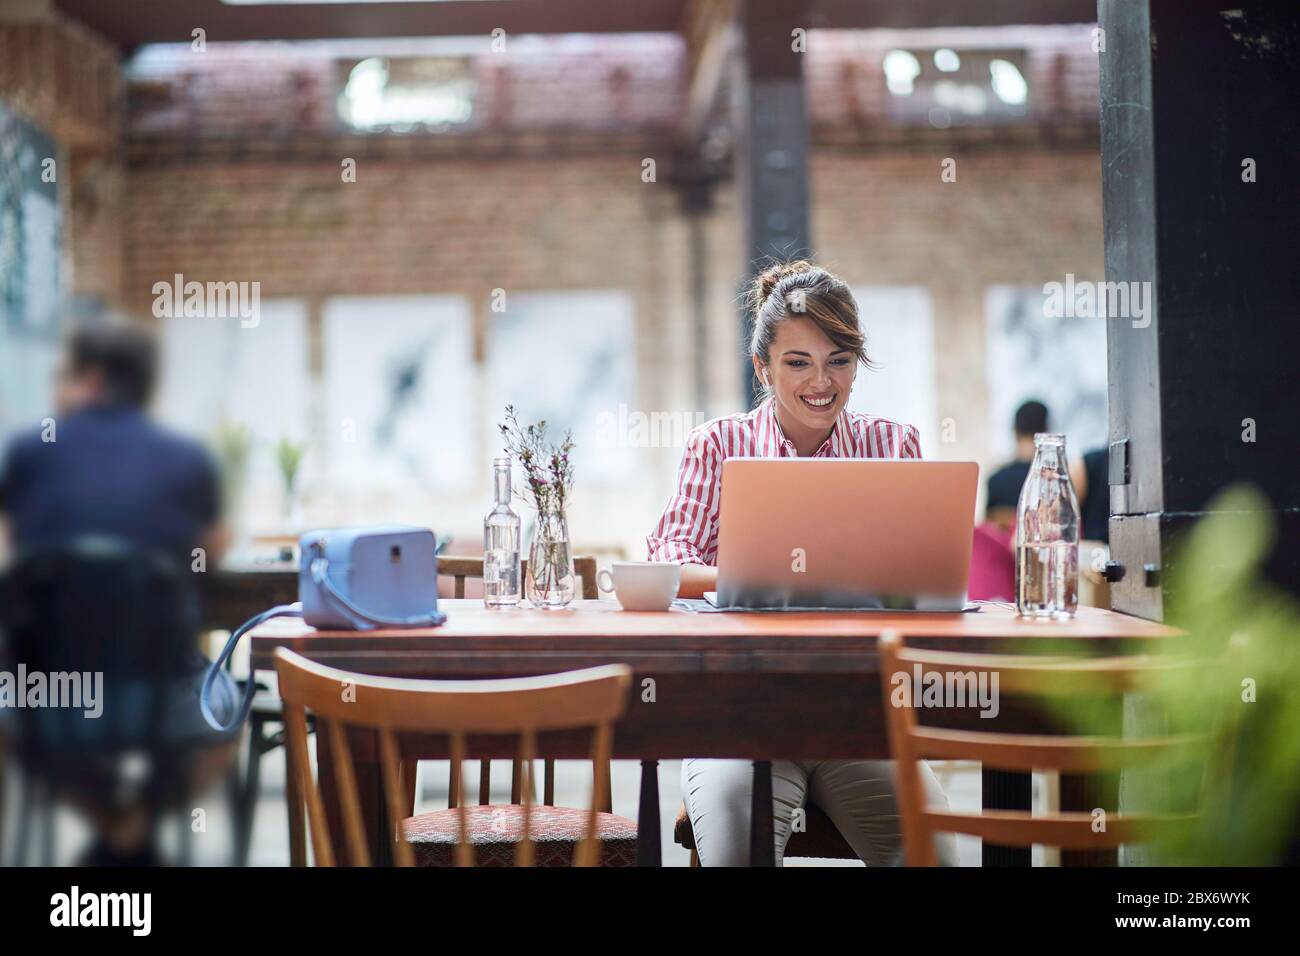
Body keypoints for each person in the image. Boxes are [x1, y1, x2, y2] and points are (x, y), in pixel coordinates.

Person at [647, 260, 957, 866]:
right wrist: (762, 573)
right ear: (762, 367)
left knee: (936, 859)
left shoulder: (894, 445)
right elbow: (666, 566)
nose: (822, 381)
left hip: (861, 720)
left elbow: (927, 580)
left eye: (838, 361)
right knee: (737, 858)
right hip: (741, 719)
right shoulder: (718, 445)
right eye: (798, 362)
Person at [0, 324, 238, 865]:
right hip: (157, 696)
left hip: (48, 702)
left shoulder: (28, 451)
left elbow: (14, 546)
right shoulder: (185, 457)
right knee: (232, 711)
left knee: (11, 714)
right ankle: (132, 828)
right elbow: (214, 549)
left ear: (91, 378)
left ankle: (109, 828)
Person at [985, 399, 1050, 532]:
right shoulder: (1052, 480)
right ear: (1047, 431)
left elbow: (988, 531)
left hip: (1003, 552)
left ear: (1014, 431)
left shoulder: (995, 480)